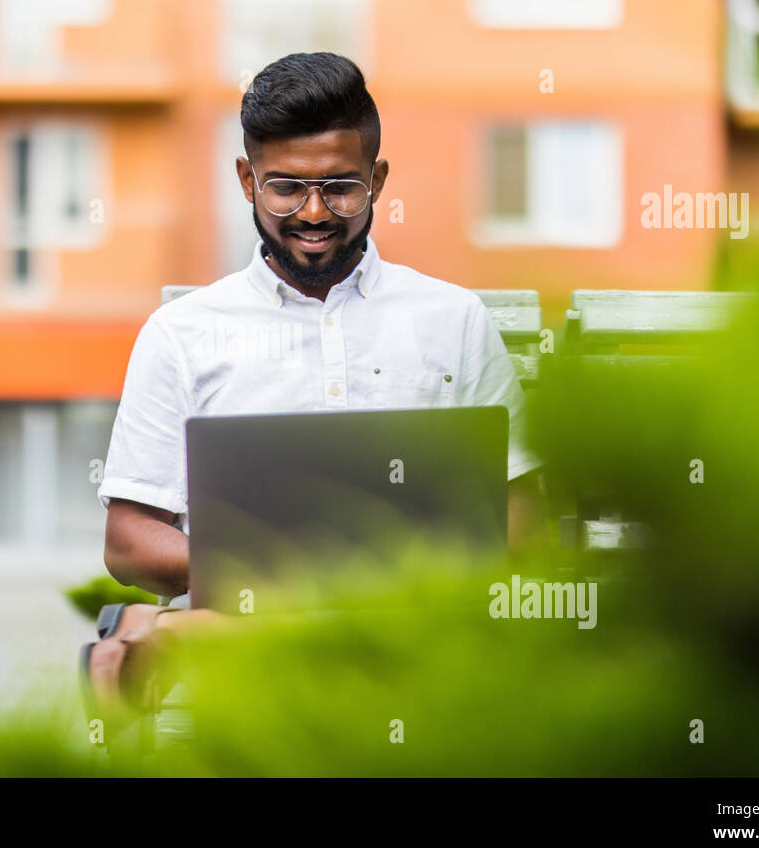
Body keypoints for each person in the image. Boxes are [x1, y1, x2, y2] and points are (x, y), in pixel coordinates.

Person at [82, 52, 544, 721]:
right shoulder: (181, 334)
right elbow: (128, 539)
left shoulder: (453, 320)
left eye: (341, 187)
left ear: (378, 179)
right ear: (246, 179)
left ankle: (186, 637)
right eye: (286, 187)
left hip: (419, 631)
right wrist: (277, 577)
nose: (314, 211)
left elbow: (521, 515)